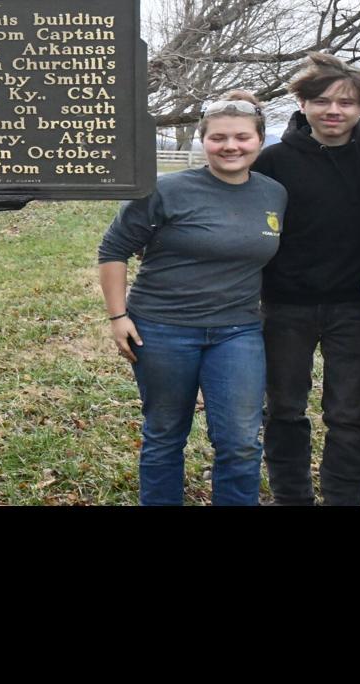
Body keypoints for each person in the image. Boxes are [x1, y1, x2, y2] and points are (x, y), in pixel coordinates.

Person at [98, 90, 286, 505]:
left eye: (242, 137)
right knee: (165, 434)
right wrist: (118, 317)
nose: (231, 146)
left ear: (259, 140)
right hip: (162, 330)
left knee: (239, 440)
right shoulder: (165, 191)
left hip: (237, 331)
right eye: (219, 137)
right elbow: (113, 249)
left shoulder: (274, 194)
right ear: (203, 140)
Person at [250, 53, 360, 506]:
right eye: (322, 101)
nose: (334, 111)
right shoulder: (273, 160)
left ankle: (343, 498)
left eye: (347, 102)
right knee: (283, 410)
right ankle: (291, 496)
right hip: (284, 305)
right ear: (302, 103)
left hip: (356, 307)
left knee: (350, 414)